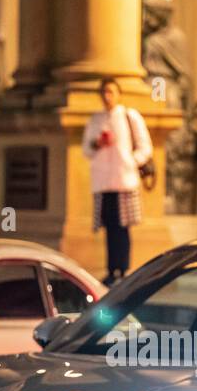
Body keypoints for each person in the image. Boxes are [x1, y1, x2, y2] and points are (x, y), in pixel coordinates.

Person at [81, 78, 152, 285]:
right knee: (110, 227)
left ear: (119, 94)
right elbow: (87, 148)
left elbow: (144, 146)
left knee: (123, 227)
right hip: (103, 182)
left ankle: (123, 268)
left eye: (111, 92)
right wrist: (98, 143)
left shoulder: (129, 117)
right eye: (104, 92)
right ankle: (111, 269)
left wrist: (132, 161)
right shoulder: (96, 120)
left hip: (124, 179)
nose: (107, 96)